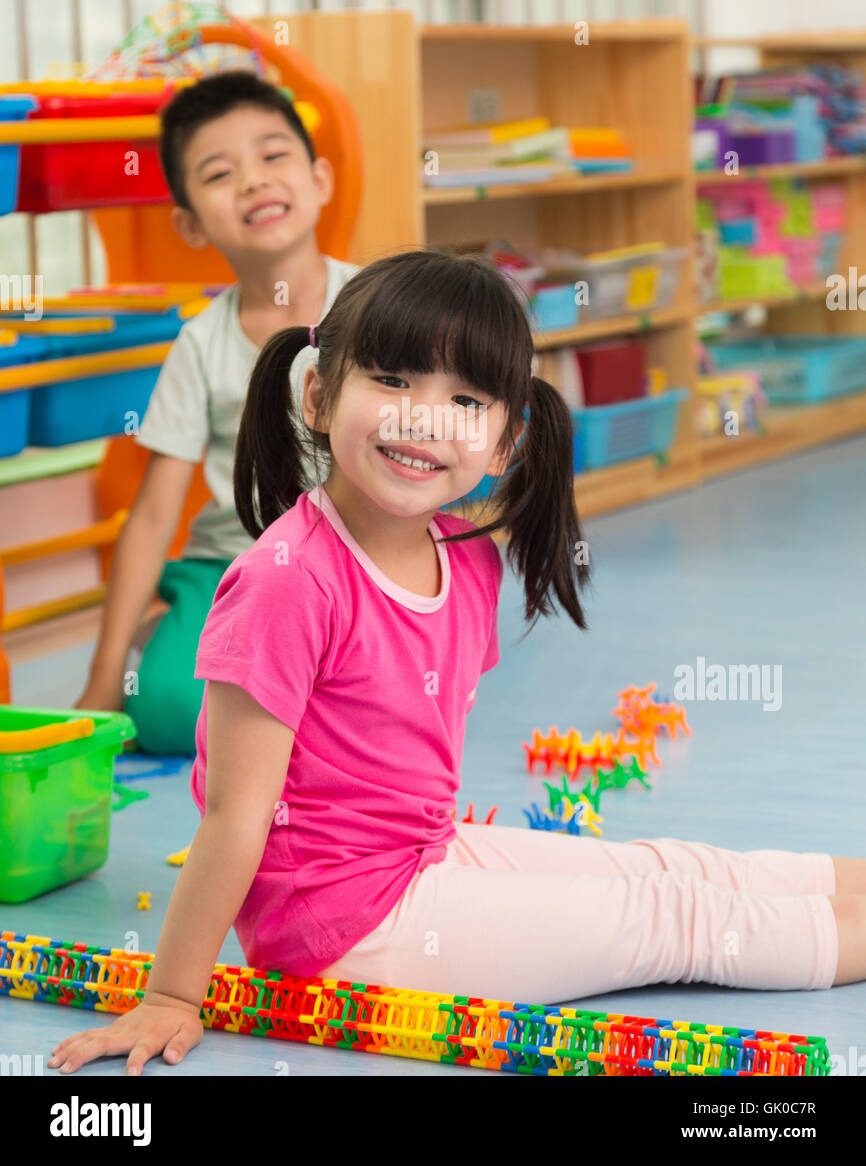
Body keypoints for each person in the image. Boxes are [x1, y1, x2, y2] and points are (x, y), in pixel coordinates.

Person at [51, 249, 863, 1078]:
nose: (425, 419)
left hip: (417, 859)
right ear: (319, 396)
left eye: (465, 399)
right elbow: (233, 816)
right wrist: (175, 995)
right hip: (338, 924)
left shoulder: (466, 560)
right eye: (394, 380)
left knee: (672, 866)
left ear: (505, 440)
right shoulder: (284, 584)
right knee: (672, 918)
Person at [73, 69, 360, 753]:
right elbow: (152, 514)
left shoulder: (379, 308)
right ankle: (176, 630)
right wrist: (106, 675)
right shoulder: (200, 343)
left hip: (356, 560)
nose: (255, 182)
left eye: (273, 155)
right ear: (191, 224)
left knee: (360, 697)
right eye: (220, 173)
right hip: (235, 567)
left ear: (320, 179)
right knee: (168, 711)